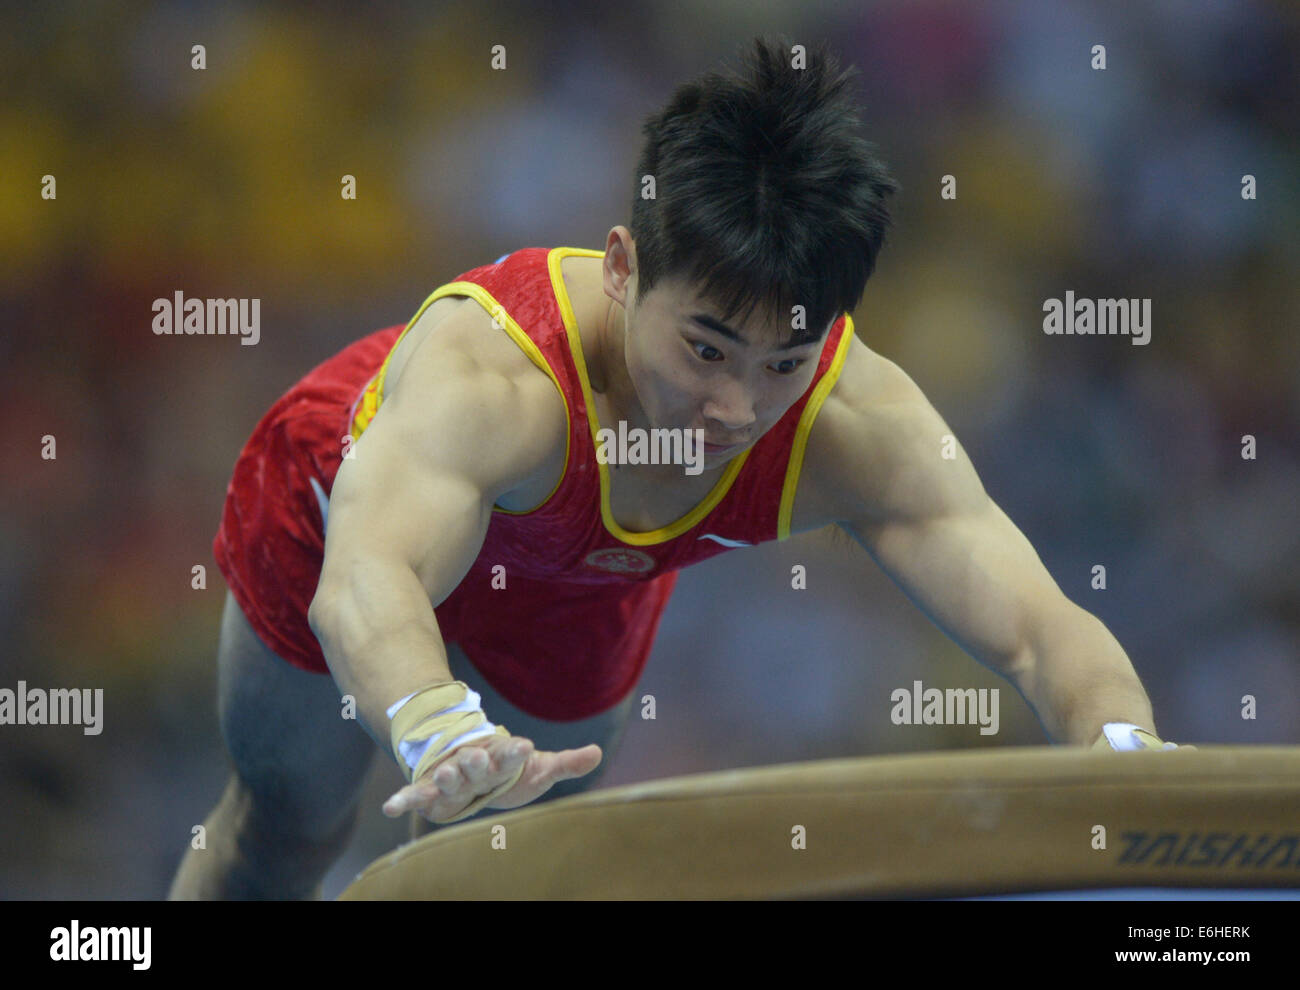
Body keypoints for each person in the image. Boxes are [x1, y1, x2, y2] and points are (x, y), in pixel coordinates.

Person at [168, 37, 1183, 901]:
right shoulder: (495, 381)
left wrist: (1121, 746)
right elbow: (367, 577)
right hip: (336, 513)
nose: (737, 409)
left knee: (514, 873)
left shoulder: (851, 419)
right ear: (621, 266)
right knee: (288, 835)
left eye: (781, 364)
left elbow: (1040, 630)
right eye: (703, 350)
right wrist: (429, 719)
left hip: (572, 589)